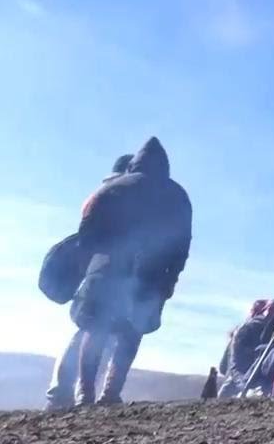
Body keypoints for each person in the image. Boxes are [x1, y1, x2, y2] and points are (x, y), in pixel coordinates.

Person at [70, 137, 192, 406]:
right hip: (151, 275)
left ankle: (84, 393)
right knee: (130, 332)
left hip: (106, 268)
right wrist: (171, 278)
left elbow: (88, 223)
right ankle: (110, 393)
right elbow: (182, 245)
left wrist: (90, 255)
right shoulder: (178, 196)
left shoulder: (116, 187)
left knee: (96, 327)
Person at [44, 153, 134, 410]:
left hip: (98, 274)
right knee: (90, 332)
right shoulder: (113, 198)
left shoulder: (105, 195)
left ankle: (61, 394)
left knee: (91, 332)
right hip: (102, 275)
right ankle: (61, 394)